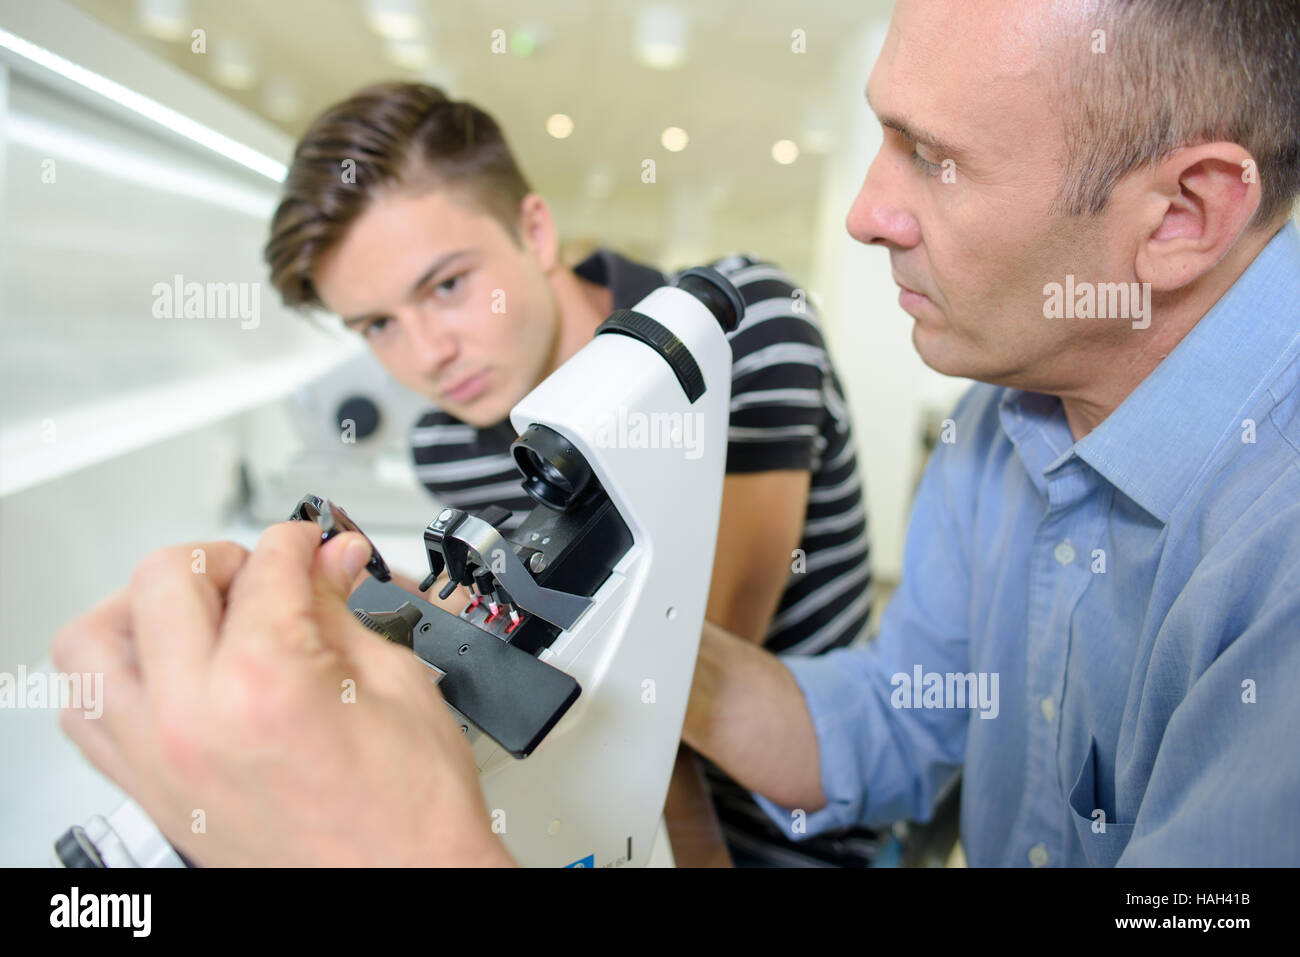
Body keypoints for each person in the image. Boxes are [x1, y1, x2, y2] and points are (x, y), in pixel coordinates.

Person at [53, 0, 1300, 866]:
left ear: (1184, 213)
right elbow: (892, 726)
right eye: (881, 134)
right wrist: (484, 625)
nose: (864, 214)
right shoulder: (1003, 413)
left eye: (934, 159)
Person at [255, 83, 879, 865]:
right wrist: (408, 614)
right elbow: (541, 645)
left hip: (799, 831)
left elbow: (665, 667)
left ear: (536, 229)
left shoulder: (732, 331)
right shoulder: (446, 441)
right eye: (378, 324)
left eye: (446, 286)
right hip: (593, 811)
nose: (426, 354)